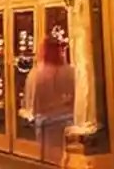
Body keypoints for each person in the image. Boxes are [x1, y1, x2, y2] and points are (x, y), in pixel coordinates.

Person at [25, 37, 75, 166]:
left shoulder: (36, 73)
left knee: (47, 156)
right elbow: (74, 95)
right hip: (66, 118)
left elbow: (32, 100)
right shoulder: (69, 71)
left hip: (45, 120)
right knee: (62, 153)